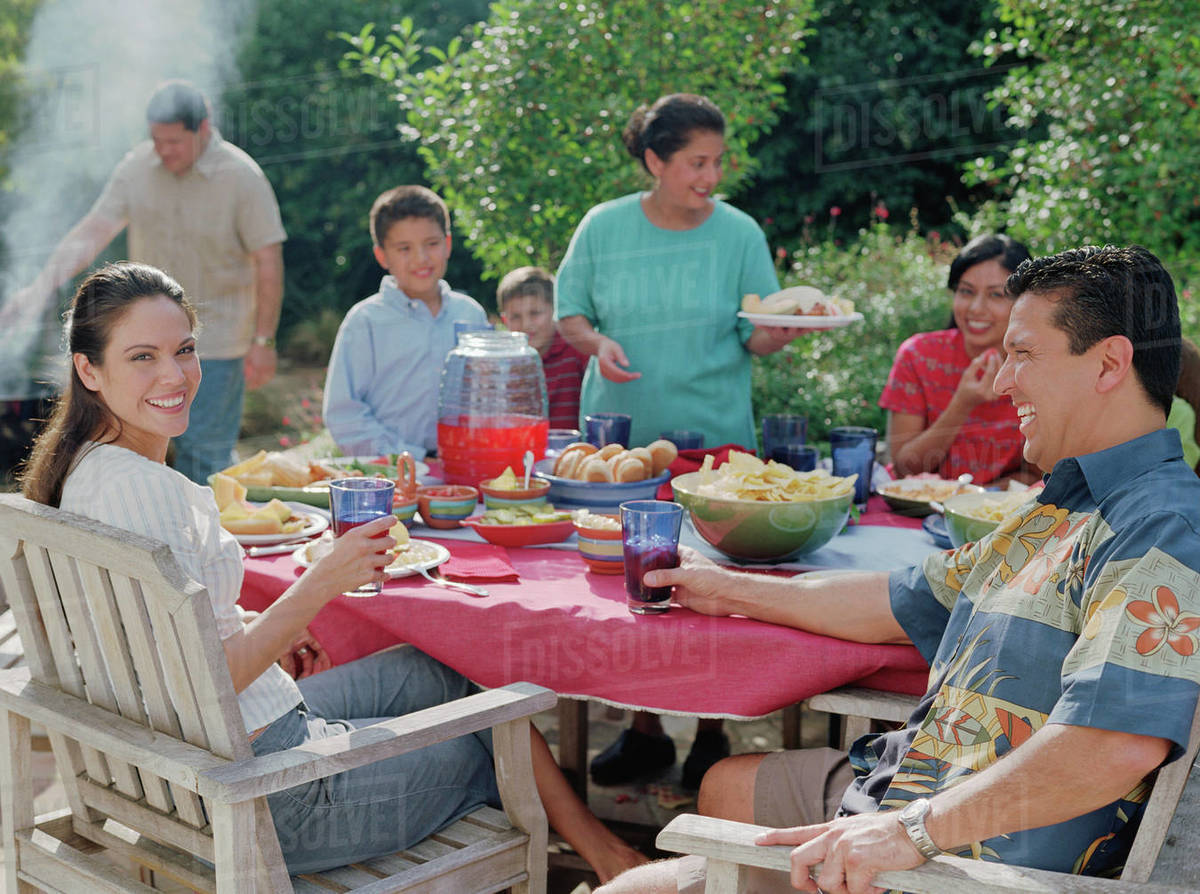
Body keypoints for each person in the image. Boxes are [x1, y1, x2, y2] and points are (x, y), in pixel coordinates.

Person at [597, 244, 1200, 894]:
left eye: (1023, 354)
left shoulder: (1161, 528)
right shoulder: (1061, 506)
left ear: (1109, 363)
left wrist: (912, 830)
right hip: (907, 795)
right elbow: (895, 599)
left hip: (969, 864)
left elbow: (1113, 744)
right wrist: (722, 587)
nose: (1003, 381)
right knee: (726, 786)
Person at [20, 262, 645, 880]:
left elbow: (159, 641)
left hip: (226, 744)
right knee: (493, 741)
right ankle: (612, 863)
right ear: (88, 370)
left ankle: (608, 858)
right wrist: (320, 583)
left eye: (183, 349)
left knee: (444, 670)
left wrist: (263, 626)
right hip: (264, 795)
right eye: (142, 357)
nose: (174, 375)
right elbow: (204, 681)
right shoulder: (142, 492)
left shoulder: (86, 470)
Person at [556, 92, 804, 790]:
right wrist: (596, 344)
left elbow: (756, 334)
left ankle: (714, 734)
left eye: (718, 161)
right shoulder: (603, 227)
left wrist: (781, 334)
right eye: (697, 162)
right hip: (623, 449)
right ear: (655, 161)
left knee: (711, 589)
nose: (711, 176)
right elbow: (571, 314)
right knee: (637, 585)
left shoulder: (739, 234)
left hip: (717, 444)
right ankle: (644, 731)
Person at [9, 80, 285, 485]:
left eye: (174, 142)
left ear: (203, 128)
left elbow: (268, 261)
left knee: (204, 455)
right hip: (142, 343)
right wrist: (38, 289)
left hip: (217, 345)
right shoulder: (137, 167)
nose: (163, 150)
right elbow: (92, 232)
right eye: (157, 140)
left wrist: (264, 341)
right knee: (132, 450)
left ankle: (211, 523)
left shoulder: (242, 177)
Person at [323, 185, 488, 459]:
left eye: (431, 244)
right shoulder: (365, 322)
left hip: (464, 465)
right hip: (390, 472)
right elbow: (344, 413)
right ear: (382, 256)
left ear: (447, 244)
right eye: (404, 248)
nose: (421, 258)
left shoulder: (470, 314)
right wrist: (411, 458)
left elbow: (486, 397)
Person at [880, 234, 1037, 485]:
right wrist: (961, 405)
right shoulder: (918, 355)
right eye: (966, 291)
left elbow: (1037, 475)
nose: (975, 308)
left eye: (996, 295)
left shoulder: (1038, 365)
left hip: (998, 508)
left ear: (1023, 303)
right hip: (915, 504)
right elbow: (903, 469)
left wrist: (976, 500)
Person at [498, 266, 587, 429]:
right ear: (505, 321)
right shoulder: (502, 364)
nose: (526, 325)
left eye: (535, 313)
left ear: (554, 311)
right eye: (515, 317)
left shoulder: (576, 350)